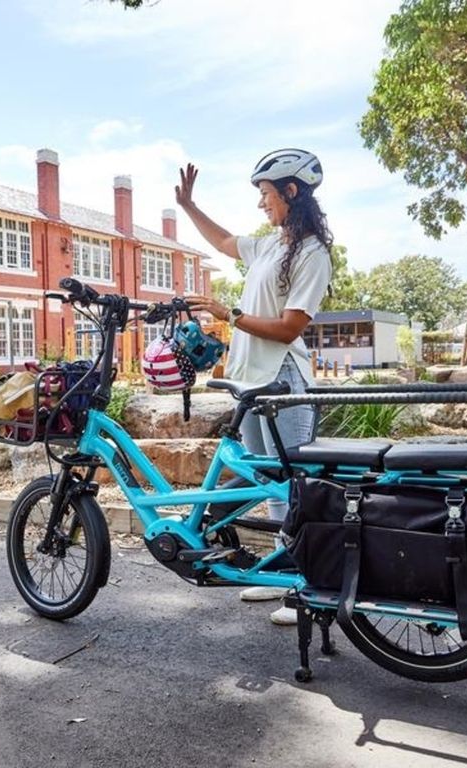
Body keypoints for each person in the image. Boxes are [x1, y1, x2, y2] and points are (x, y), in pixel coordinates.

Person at [176, 149, 333, 625]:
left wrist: (230, 315)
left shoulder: (312, 253)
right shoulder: (270, 245)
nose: (261, 204)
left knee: (292, 483)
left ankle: (306, 587)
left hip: (282, 379)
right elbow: (223, 240)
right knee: (269, 482)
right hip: (250, 383)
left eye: (266, 194)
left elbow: (289, 328)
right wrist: (188, 206)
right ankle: (277, 572)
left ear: (291, 191)